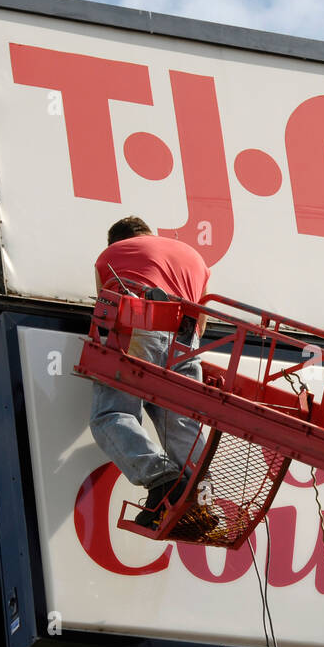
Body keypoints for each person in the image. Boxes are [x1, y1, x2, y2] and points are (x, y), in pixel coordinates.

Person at [89, 216, 211, 527]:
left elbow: (105, 308)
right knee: (181, 423)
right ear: (149, 233)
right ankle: (202, 502)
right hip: (187, 340)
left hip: (140, 328)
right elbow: (202, 320)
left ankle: (162, 477)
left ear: (116, 240)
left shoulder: (111, 255)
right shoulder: (194, 258)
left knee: (112, 415)